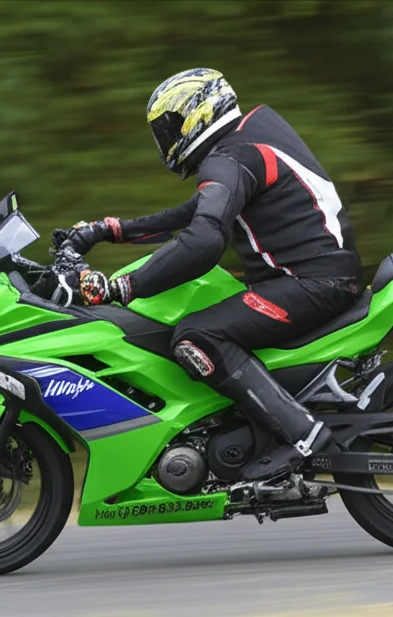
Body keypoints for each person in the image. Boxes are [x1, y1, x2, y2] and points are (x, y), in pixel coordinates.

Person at [60, 68, 362, 483]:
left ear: (195, 116)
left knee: (196, 337)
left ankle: (302, 437)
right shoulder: (243, 144)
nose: (164, 141)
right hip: (315, 276)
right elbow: (194, 215)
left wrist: (123, 287)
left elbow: (203, 241)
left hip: (311, 283)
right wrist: (108, 229)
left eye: (168, 129)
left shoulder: (230, 157)